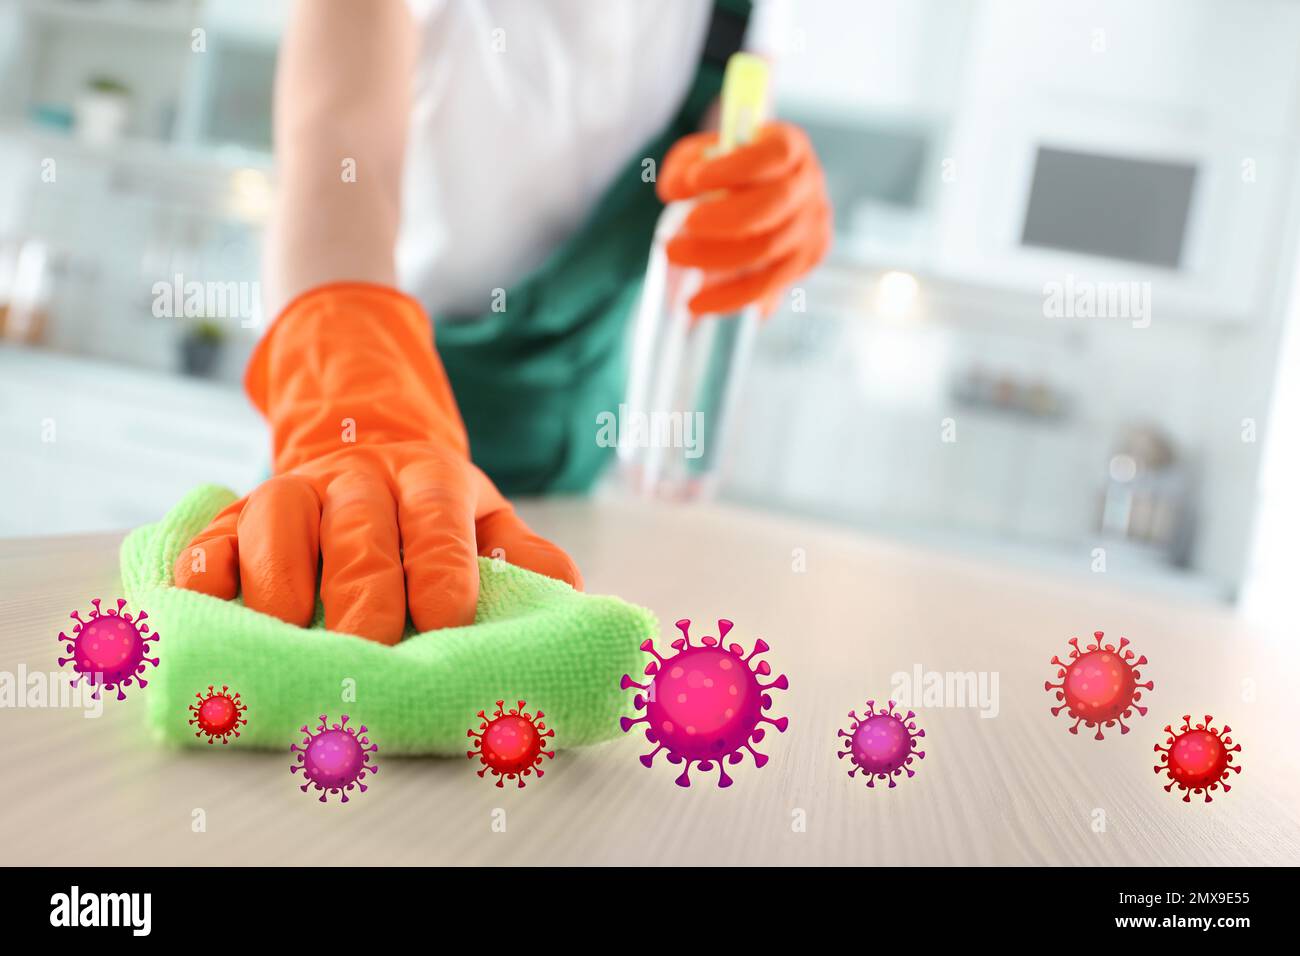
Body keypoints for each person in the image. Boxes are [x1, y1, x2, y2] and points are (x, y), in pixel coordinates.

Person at [174, 0, 831, 643]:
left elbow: (725, 164)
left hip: (569, 482)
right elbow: (338, 153)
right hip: (366, 433)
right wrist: (359, 408)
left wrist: (761, 220)